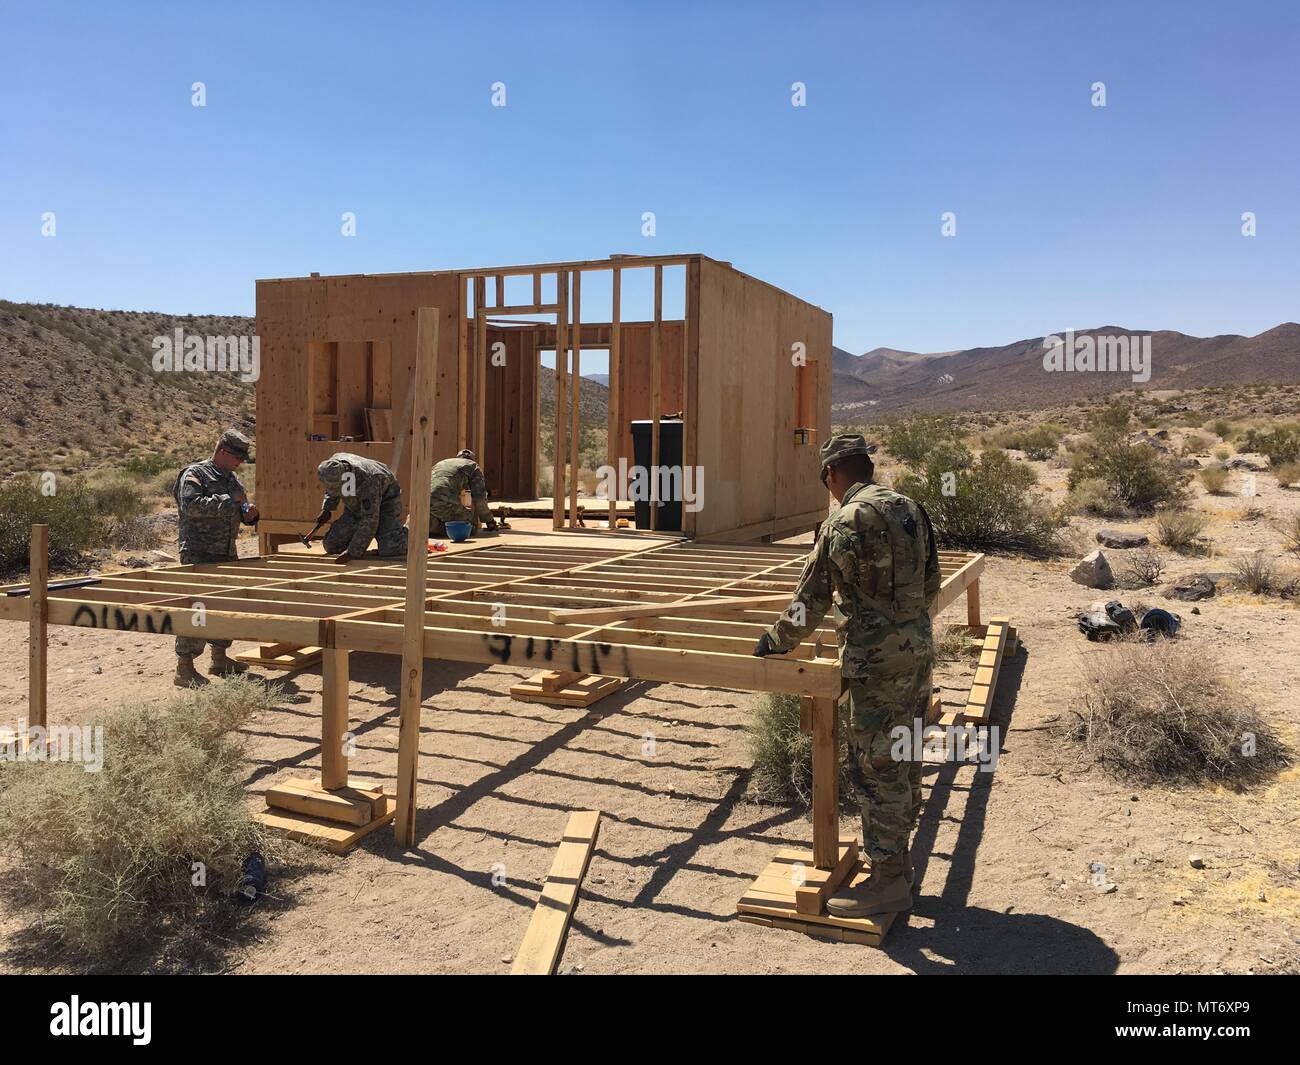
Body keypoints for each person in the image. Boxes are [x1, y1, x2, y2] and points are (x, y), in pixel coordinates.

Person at [753, 434, 940, 917]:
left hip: (876, 664)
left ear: (834, 474)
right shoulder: (910, 509)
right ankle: (898, 861)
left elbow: (810, 599)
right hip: (916, 652)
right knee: (906, 754)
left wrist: (774, 642)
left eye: (826, 481)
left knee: (876, 768)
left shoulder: (844, 522)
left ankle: (888, 882)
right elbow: (932, 582)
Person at [173, 429, 259, 687]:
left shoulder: (231, 479)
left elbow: (241, 506)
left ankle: (219, 659)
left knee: (224, 606)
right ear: (223, 452)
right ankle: (184, 668)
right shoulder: (195, 474)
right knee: (197, 609)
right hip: (199, 552)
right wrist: (228, 501)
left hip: (225, 552)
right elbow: (191, 506)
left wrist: (249, 513)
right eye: (237, 457)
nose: (240, 463)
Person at [314, 453, 408, 560]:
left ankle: (409, 532)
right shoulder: (332, 466)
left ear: (346, 477)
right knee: (332, 545)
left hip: (385, 501)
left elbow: (370, 519)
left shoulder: (369, 480)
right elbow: (332, 489)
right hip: (356, 505)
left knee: (390, 548)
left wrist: (353, 551)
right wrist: (327, 508)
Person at [428, 449, 500, 537]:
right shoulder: (473, 466)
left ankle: (431, 527)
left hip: (425, 500)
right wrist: (489, 520)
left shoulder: (442, 463)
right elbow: (480, 498)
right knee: (469, 523)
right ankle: (442, 530)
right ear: (471, 459)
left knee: (438, 511)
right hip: (443, 498)